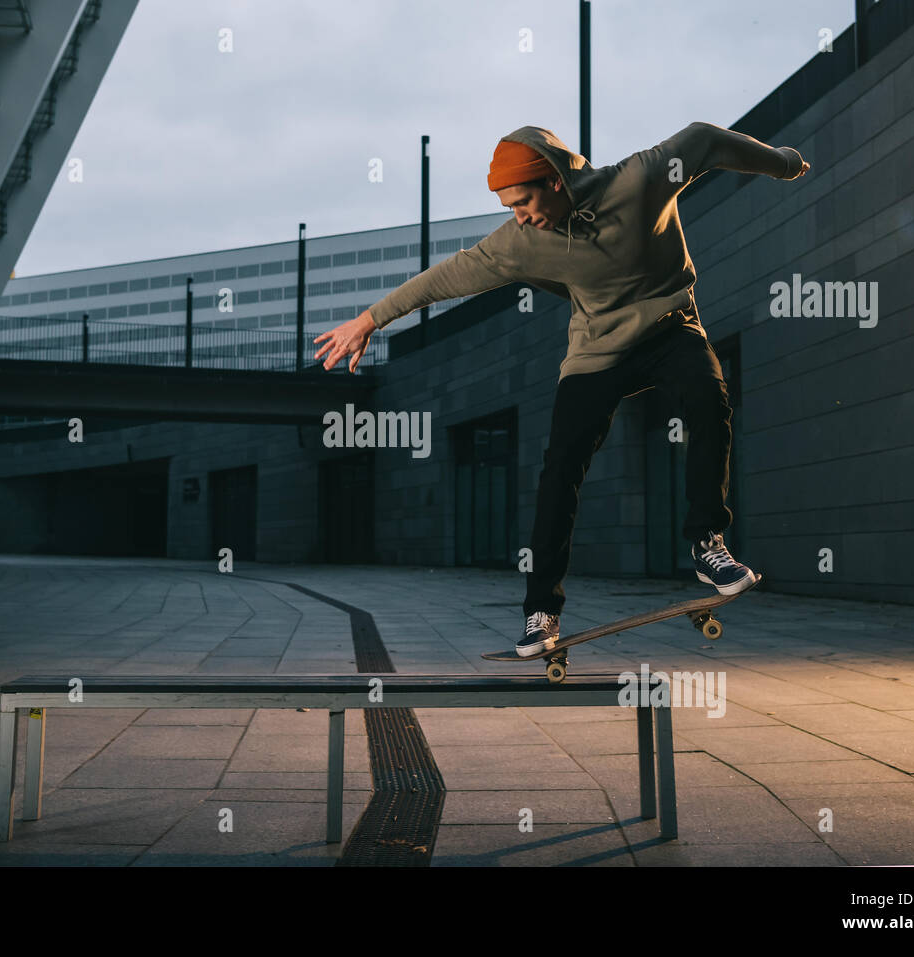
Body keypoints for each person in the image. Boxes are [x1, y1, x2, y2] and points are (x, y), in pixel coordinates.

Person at [313, 122, 809, 657]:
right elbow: (445, 277)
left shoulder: (640, 180)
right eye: (509, 208)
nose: (519, 216)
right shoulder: (521, 242)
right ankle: (541, 610)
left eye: (523, 201)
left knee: (710, 400)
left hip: (670, 328)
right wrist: (369, 320)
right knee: (561, 469)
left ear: (553, 180)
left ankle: (707, 542)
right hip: (596, 351)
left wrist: (782, 162)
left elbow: (705, 140)